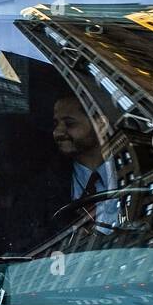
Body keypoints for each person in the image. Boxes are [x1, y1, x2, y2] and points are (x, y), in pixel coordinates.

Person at [51, 93, 121, 230]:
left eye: (69, 123)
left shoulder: (135, 168)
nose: (57, 132)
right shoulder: (44, 188)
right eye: (55, 124)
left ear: (100, 125)